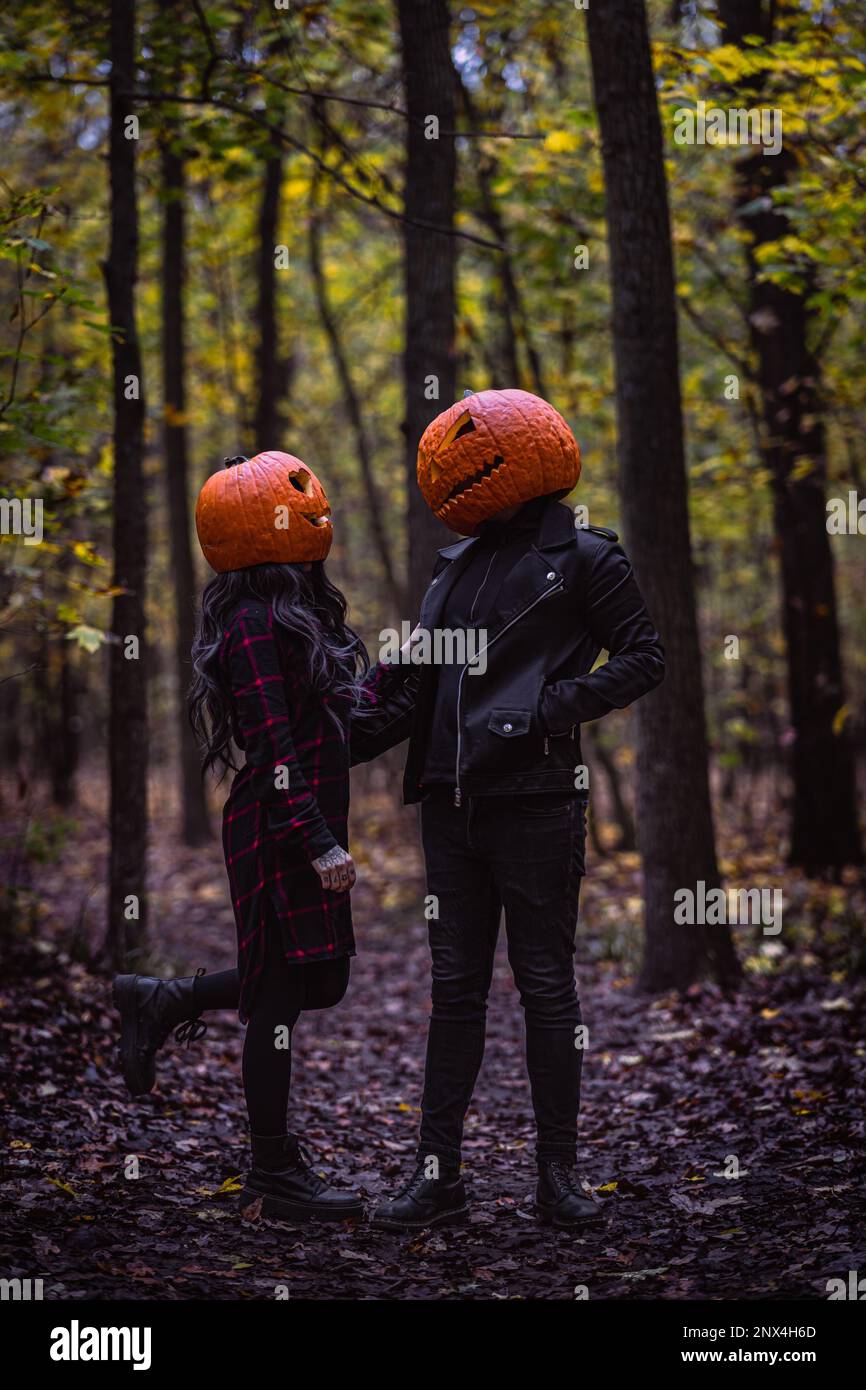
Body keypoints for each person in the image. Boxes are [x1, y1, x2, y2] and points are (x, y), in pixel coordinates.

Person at [351, 389, 666, 1231]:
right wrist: (347, 732)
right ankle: (437, 1177)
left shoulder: (591, 557)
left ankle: (557, 1178)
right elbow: (424, 684)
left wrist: (553, 706)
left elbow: (646, 656)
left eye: (473, 442)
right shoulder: (452, 566)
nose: (453, 456)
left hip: (536, 802)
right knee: (455, 993)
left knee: (546, 987)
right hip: (450, 806)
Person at [113, 450, 367, 1224]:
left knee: (320, 981)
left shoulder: (298, 618)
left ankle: (168, 998)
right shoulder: (254, 626)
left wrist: (411, 674)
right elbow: (275, 751)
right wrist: (320, 842)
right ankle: (273, 1174)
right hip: (277, 825)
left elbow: (342, 734)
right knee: (281, 996)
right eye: (297, 499)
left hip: (301, 820)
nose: (311, 506)